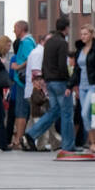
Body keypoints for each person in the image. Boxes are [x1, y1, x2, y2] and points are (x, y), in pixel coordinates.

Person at [23, 18, 76, 153]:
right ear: (66, 28)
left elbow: (44, 64)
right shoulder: (62, 43)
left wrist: (46, 79)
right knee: (66, 113)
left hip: (49, 82)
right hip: (60, 82)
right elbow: (62, 65)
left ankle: (31, 133)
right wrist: (69, 82)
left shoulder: (49, 42)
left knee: (54, 111)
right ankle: (68, 145)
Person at [72, 24, 95, 152]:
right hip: (82, 86)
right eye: (81, 34)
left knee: (85, 113)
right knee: (87, 115)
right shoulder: (80, 50)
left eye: (85, 34)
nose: (82, 36)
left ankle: (94, 142)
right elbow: (76, 70)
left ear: (91, 35)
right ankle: (92, 143)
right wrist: (70, 86)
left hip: (92, 86)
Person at [7, 21, 35, 149]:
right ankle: (18, 139)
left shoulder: (27, 42)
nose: (14, 31)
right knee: (20, 111)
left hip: (22, 81)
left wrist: (18, 66)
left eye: (15, 28)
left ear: (21, 29)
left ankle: (18, 140)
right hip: (21, 81)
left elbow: (30, 58)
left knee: (21, 112)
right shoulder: (26, 41)